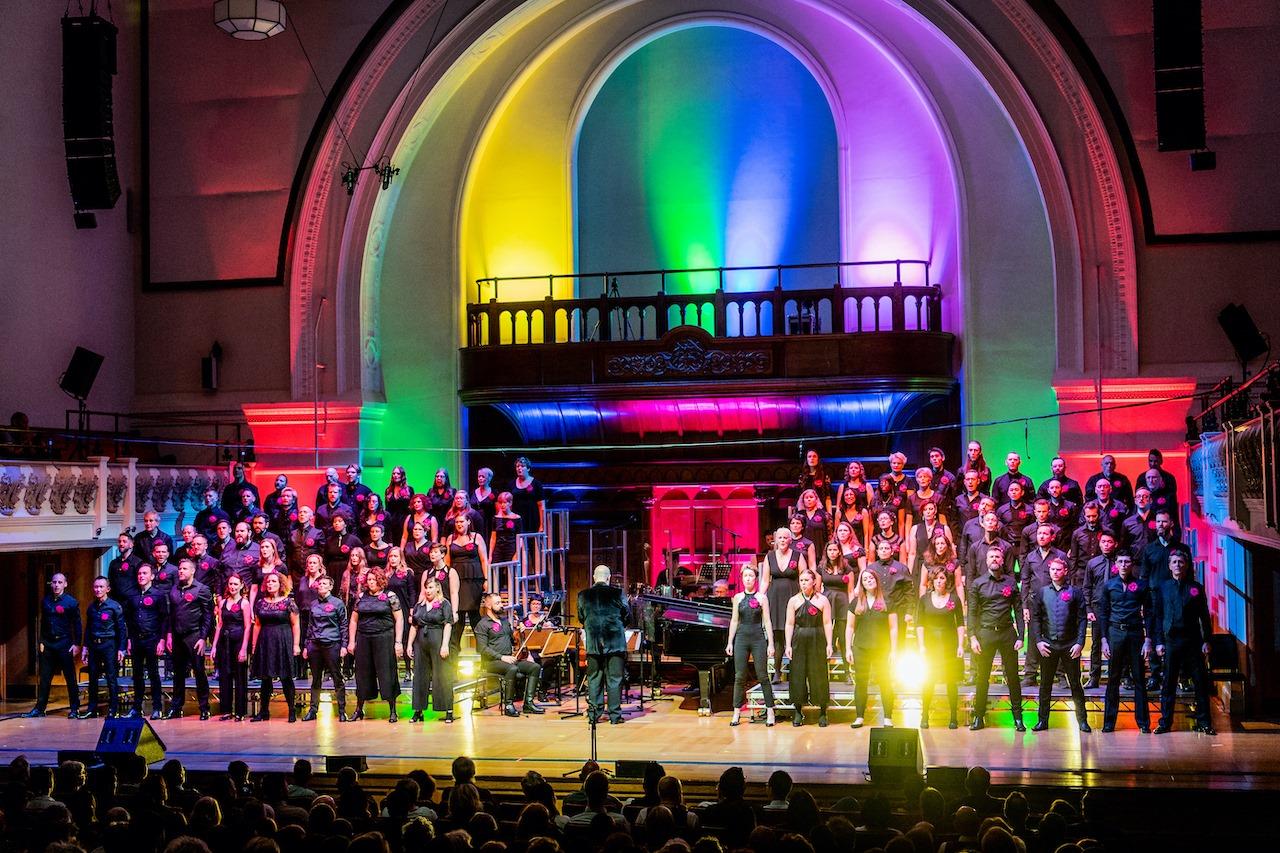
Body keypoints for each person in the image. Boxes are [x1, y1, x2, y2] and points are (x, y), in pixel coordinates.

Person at [1152, 548, 1215, 734]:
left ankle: (1205, 722)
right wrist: (1158, 641)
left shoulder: (1196, 587)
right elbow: (1158, 616)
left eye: (1181, 562)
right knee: (1168, 684)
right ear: (1169, 566)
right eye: (1174, 562)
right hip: (1171, 640)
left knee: (1200, 683)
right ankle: (1165, 723)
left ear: (1186, 565)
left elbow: (1204, 616)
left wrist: (1207, 640)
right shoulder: (1163, 587)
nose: (1178, 565)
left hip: (1193, 640)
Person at [1027, 557, 1091, 732]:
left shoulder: (1075, 592)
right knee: (1045, 684)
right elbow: (1036, 619)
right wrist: (1039, 641)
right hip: (1048, 644)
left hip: (1070, 645)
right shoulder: (1041, 592)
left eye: (1058, 569)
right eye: (1052, 569)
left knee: (1076, 684)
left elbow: (1082, 619)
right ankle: (1042, 720)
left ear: (1065, 571)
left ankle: (1083, 721)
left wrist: (1079, 643)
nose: (1054, 572)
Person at [966, 548, 1025, 731]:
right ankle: (978, 716)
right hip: (986, 634)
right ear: (986, 559)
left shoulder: (1010, 582)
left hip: (1007, 633)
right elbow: (972, 613)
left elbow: (1019, 610)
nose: (994, 559)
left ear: (1002, 560)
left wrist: (1021, 636)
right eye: (991, 556)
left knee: (1013, 677)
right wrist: (972, 637)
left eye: (997, 556)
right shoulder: (978, 583)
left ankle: (1017, 718)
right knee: (982, 677)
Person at [1097, 551, 1153, 732]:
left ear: (1131, 564)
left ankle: (1143, 723)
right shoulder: (1109, 586)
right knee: (1113, 679)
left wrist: (1148, 639)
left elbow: (1150, 614)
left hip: (1136, 633)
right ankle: (1109, 723)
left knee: (1139, 679)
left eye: (1127, 561)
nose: (1123, 565)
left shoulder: (1142, 585)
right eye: (1120, 561)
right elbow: (1103, 614)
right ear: (1115, 564)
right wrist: (1104, 640)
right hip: (1115, 633)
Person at [348, 567, 404, 722]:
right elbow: (353, 620)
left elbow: (399, 619)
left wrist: (398, 642)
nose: (371, 582)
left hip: (384, 637)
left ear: (380, 580)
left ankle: (392, 709)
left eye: (374, 579)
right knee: (362, 673)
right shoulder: (361, 596)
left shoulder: (390, 596)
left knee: (387, 672)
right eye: (369, 580)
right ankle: (359, 709)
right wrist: (352, 641)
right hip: (364, 637)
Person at [476, 591, 543, 717]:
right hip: (492, 662)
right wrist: (502, 657)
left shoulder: (505, 622)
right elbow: (482, 649)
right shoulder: (483, 624)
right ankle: (508, 705)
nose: (501, 605)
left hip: (509, 659)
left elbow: (513, 641)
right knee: (512, 669)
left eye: (501, 602)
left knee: (535, 667)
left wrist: (520, 631)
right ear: (489, 606)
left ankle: (528, 703)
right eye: (498, 603)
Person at [24, 573, 82, 718]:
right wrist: (41, 641)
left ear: (65, 584)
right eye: (54, 582)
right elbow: (43, 623)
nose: (56, 585)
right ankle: (40, 708)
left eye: (59, 582)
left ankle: (75, 708)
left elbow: (77, 624)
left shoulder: (71, 602)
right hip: (49, 644)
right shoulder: (46, 601)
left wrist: (77, 644)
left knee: (70, 677)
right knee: (45, 677)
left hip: (64, 643)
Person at [846, 568, 897, 728]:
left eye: (871, 578)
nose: (868, 580)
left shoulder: (888, 601)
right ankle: (859, 716)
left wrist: (894, 650)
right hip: (861, 647)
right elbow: (849, 627)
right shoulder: (855, 603)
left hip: (882, 649)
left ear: (876, 580)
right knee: (861, 682)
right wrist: (848, 648)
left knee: (885, 681)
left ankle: (888, 717)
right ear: (861, 583)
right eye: (865, 579)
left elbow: (893, 628)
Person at [577, 565, 629, 723]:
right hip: (615, 642)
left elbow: (581, 618)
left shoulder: (583, 595)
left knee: (594, 679)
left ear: (594, 577)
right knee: (614, 679)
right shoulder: (618, 593)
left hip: (593, 643)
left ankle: (594, 715)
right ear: (609, 577)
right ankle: (614, 716)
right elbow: (626, 615)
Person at [725, 565, 776, 726]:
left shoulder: (762, 598)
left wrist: (771, 644)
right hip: (741, 638)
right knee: (739, 676)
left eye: (751, 576)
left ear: (756, 578)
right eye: (745, 576)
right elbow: (734, 620)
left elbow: (767, 621)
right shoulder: (738, 598)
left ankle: (770, 711)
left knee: (762, 675)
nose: (748, 578)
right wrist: (730, 642)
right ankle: (736, 712)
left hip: (758, 638)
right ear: (742, 578)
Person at [166, 559, 215, 719]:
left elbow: (208, 617)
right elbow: (171, 615)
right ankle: (176, 706)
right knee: (178, 673)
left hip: (194, 635)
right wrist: (169, 635)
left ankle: (204, 707)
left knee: (199, 672)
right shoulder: (174, 589)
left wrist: (203, 638)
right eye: (179, 568)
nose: (180, 571)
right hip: (177, 636)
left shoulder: (202, 589)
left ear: (192, 571)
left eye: (184, 568)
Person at [917, 566, 964, 729]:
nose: (939, 581)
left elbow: (960, 624)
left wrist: (960, 645)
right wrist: (921, 646)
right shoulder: (924, 599)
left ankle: (953, 716)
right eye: (936, 578)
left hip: (949, 646)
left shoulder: (954, 599)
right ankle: (924, 716)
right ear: (931, 581)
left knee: (951, 682)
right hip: (930, 647)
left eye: (942, 578)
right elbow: (920, 624)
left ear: (947, 580)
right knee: (928, 682)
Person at [785, 567, 833, 727]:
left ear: (813, 582)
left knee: (818, 674)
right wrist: (788, 644)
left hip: (817, 638)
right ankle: (798, 711)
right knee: (797, 674)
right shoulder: (793, 600)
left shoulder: (822, 600)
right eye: (801, 580)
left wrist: (829, 643)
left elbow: (827, 623)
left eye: (806, 580)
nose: (804, 583)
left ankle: (822, 711)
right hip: (799, 639)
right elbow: (789, 623)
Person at [251, 572, 301, 722]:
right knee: (265, 678)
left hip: (283, 640)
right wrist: (254, 646)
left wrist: (296, 645)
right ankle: (264, 711)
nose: (270, 584)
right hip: (265, 641)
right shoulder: (260, 602)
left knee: (286, 678)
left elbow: (295, 624)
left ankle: (291, 710)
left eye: (274, 581)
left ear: (281, 584)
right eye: (268, 581)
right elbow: (257, 625)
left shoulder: (288, 602)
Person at [301, 574, 348, 722]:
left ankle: (342, 710)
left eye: (324, 584)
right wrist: (306, 646)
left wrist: (344, 645)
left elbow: (343, 626)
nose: (321, 586)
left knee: (336, 677)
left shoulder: (338, 603)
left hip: (332, 643)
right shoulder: (314, 603)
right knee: (315, 678)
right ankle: (313, 710)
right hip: (315, 644)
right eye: (319, 584)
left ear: (330, 586)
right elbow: (309, 626)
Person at [760, 527, 805, 682]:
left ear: (790, 540)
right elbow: (765, 580)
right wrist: (759, 597)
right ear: (775, 540)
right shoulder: (770, 556)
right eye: (780, 538)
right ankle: (777, 672)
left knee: (794, 636)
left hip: (793, 597)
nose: (783, 540)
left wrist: (804, 598)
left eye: (785, 538)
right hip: (775, 598)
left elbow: (803, 578)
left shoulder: (798, 556)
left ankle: (796, 673)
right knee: (778, 635)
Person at [408, 577, 454, 723]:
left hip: (437, 639)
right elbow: (414, 626)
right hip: (421, 641)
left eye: (431, 587)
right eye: (426, 588)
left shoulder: (443, 604)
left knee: (441, 675)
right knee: (420, 676)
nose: (428, 590)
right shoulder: (419, 605)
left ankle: (448, 710)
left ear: (437, 589)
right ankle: (418, 710)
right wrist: (409, 644)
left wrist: (445, 644)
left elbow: (448, 624)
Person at [125, 564, 168, 719]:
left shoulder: (158, 594)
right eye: (139, 573)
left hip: (152, 638)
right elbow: (128, 620)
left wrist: (162, 640)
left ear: (152, 576)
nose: (141, 576)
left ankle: (157, 707)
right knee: (137, 675)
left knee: (153, 674)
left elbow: (164, 619)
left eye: (145, 573)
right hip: (136, 639)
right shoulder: (132, 595)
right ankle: (136, 708)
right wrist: (129, 639)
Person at [80, 576, 126, 718]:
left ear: (108, 589)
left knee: (111, 677)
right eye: (96, 587)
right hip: (94, 645)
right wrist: (85, 647)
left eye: (101, 587)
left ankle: (113, 709)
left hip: (109, 644)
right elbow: (88, 628)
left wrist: (121, 648)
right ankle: (92, 709)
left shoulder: (114, 606)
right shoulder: (91, 607)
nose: (98, 589)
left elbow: (121, 629)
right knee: (93, 677)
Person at [445, 514, 489, 658]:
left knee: (474, 614)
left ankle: (482, 651)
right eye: (457, 522)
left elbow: (484, 559)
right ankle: (453, 653)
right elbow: (447, 561)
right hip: (457, 580)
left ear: (468, 522)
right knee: (458, 616)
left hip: (473, 580)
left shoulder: (477, 537)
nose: (459, 524)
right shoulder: (450, 539)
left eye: (462, 521)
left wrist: (486, 579)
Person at [212, 574, 251, 720]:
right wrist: (214, 646)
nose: (232, 587)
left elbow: (247, 627)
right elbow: (220, 625)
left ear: (241, 585)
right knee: (225, 676)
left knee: (240, 676)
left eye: (235, 584)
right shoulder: (222, 603)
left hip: (238, 640)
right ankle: (226, 710)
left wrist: (243, 648)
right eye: (230, 584)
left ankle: (240, 711)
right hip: (224, 641)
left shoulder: (244, 603)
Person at [817, 541, 855, 670]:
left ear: (839, 552)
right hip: (827, 601)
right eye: (830, 550)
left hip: (842, 602)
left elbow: (850, 590)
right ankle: (822, 669)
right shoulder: (821, 567)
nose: (832, 552)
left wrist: (852, 608)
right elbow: (817, 589)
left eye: (834, 550)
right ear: (826, 552)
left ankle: (847, 671)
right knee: (826, 635)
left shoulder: (847, 568)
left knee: (843, 637)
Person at [384, 547, 416, 679]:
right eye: (391, 556)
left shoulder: (407, 573)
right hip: (388, 610)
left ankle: (409, 669)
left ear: (400, 557)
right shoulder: (385, 574)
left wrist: (411, 611)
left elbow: (412, 592)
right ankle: (392, 671)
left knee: (404, 639)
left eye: (395, 556)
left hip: (403, 608)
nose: (392, 559)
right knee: (390, 640)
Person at [511, 456, 546, 535]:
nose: (519, 468)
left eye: (522, 466)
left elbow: (541, 505)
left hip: (532, 519)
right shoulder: (511, 484)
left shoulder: (536, 484)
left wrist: (542, 524)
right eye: (517, 466)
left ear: (528, 469)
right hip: (517, 520)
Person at [384, 466, 415, 548]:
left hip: (405, 520)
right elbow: (387, 508)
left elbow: (412, 507)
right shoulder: (388, 490)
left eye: (398, 473)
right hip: (392, 522)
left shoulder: (409, 489)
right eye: (393, 473)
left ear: (402, 475)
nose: (395, 475)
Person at [489, 491, 522, 565]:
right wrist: (490, 555)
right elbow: (493, 538)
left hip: (511, 549)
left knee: (510, 573)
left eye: (505, 502)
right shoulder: (496, 518)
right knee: (496, 572)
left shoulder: (516, 518)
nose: (502, 505)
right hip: (498, 550)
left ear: (510, 503)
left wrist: (517, 554)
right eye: (500, 503)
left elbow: (520, 538)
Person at [472, 467, 498, 538]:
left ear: (489, 478)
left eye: (483, 476)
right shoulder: (473, 492)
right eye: (479, 476)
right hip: (475, 523)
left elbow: (497, 512)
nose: (480, 478)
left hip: (488, 525)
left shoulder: (494, 493)